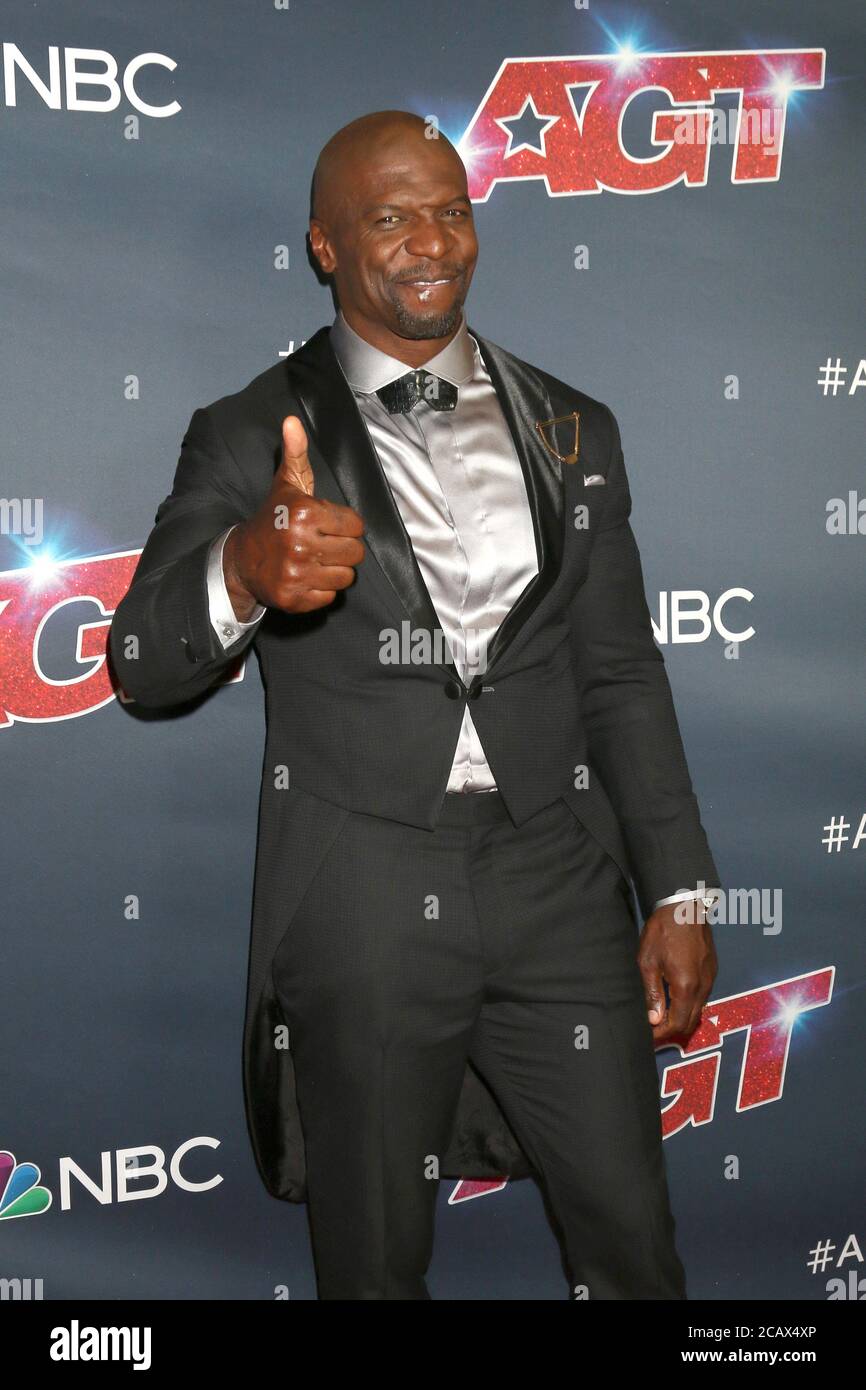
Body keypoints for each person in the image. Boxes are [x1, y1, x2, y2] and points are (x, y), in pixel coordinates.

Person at [109, 109, 720, 1300]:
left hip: (557, 877)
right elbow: (139, 658)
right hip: (365, 889)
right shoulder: (248, 431)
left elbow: (621, 674)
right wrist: (242, 567)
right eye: (388, 217)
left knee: (634, 1249)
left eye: (449, 208)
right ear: (325, 248)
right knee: (373, 1260)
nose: (430, 240)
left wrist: (680, 886)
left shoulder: (571, 426)